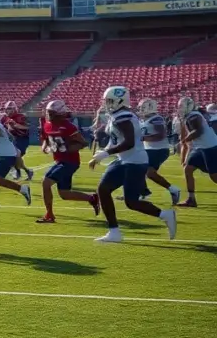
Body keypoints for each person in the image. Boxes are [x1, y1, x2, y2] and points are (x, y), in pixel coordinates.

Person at [89, 86, 176, 243]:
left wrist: (105, 153)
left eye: (110, 100)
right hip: (124, 160)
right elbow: (116, 140)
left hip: (135, 161)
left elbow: (129, 142)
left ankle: (164, 214)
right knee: (103, 189)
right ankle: (114, 232)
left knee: (132, 202)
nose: (107, 103)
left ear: (120, 101)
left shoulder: (124, 116)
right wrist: (101, 154)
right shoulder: (116, 115)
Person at [38, 99, 100, 223]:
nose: (48, 114)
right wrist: (45, 146)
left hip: (70, 162)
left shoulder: (68, 126)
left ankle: (49, 215)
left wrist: (70, 148)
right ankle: (92, 198)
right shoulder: (47, 124)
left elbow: (83, 142)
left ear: (59, 113)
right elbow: (46, 137)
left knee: (46, 183)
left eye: (51, 112)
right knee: (64, 194)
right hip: (59, 161)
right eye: (48, 112)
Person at [138, 98, 180, 205]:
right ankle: (143, 192)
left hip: (158, 150)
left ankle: (172, 189)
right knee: (140, 170)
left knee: (148, 172)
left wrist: (143, 138)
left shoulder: (156, 119)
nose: (140, 109)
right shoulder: (145, 119)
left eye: (143, 107)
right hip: (150, 149)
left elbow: (161, 135)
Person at [177, 96, 217, 208]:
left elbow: (198, 131)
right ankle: (191, 199)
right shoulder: (191, 115)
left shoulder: (194, 116)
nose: (179, 108)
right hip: (201, 147)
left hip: (210, 147)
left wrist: (185, 140)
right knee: (188, 169)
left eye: (181, 106)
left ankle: (191, 199)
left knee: (214, 177)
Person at [1, 101, 33, 182]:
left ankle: (20, 172)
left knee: (14, 157)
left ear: (14, 109)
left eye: (9, 109)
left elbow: (27, 127)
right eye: (6, 109)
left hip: (22, 139)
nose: (7, 111)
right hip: (12, 139)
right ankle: (26, 171)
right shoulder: (5, 118)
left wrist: (15, 125)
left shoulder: (21, 117)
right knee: (13, 158)